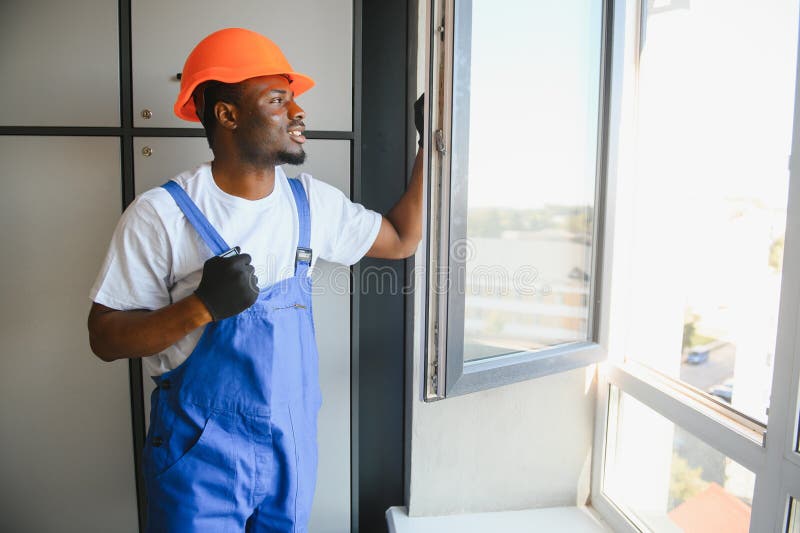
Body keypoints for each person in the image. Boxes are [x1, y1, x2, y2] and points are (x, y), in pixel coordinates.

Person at [87, 27, 423, 532]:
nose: (298, 112)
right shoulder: (162, 214)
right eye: (278, 99)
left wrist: (432, 143)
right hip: (199, 458)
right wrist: (201, 306)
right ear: (228, 114)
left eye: (294, 100)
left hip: (291, 450)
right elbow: (105, 337)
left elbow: (400, 239)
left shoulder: (310, 204)